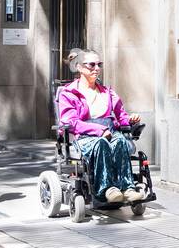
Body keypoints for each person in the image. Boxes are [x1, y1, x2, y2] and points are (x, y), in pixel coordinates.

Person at [56, 48, 144, 205]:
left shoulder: (107, 92)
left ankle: (127, 188)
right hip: (85, 136)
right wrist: (98, 131)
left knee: (120, 141)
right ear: (80, 67)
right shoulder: (68, 93)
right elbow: (70, 122)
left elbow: (121, 116)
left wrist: (130, 120)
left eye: (99, 64)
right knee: (101, 143)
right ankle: (107, 190)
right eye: (91, 65)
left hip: (109, 132)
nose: (96, 69)